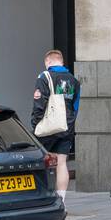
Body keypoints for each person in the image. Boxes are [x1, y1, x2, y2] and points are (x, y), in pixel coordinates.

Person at [31, 50, 80, 201]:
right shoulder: (73, 80)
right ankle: (62, 201)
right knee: (62, 163)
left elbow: (39, 104)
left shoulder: (44, 77)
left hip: (48, 127)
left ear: (48, 62)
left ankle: (44, 197)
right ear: (62, 62)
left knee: (44, 161)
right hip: (66, 127)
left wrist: (35, 124)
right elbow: (76, 106)